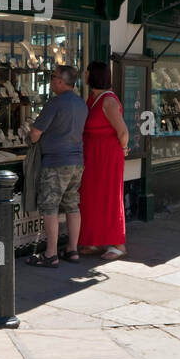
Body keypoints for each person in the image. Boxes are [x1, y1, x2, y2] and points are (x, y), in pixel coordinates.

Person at [26, 64, 88, 266]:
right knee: (72, 204)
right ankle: (72, 250)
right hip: (77, 161)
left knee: (50, 206)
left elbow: (36, 133)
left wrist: (30, 137)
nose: (51, 80)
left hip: (55, 162)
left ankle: (51, 253)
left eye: (53, 77)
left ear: (61, 81)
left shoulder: (56, 103)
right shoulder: (81, 103)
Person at [78, 61, 129, 259]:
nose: (85, 74)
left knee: (108, 197)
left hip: (107, 155)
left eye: (87, 72)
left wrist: (123, 149)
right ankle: (95, 240)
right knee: (91, 197)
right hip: (92, 154)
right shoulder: (92, 98)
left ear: (94, 75)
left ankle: (118, 244)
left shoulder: (108, 101)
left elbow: (123, 131)